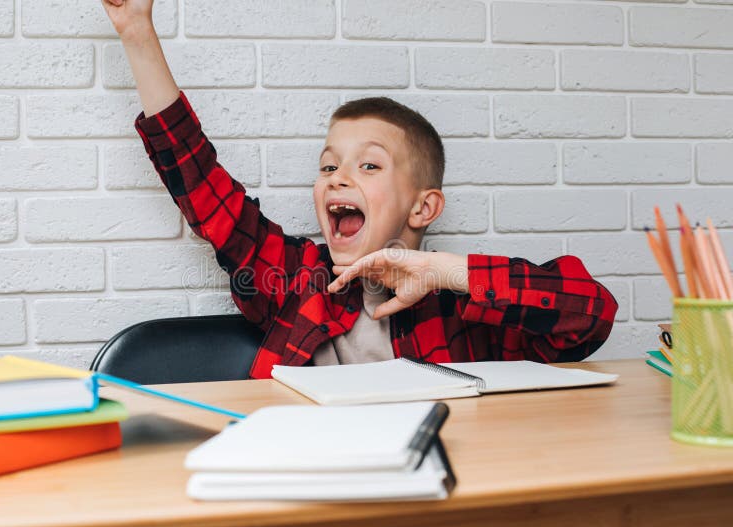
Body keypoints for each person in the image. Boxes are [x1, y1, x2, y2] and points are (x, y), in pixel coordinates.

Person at [101, 0, 618, 378]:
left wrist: (442, 272)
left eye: (368, 166)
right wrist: (136, 32)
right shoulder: (293, 280)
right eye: (328, 167)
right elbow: (202, 185)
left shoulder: (462, 308)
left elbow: (590, 317)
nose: (338, 177)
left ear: (424, 206)